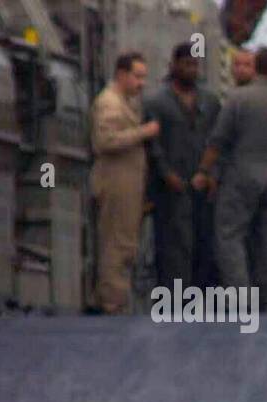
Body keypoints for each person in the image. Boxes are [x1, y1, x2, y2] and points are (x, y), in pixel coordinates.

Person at [195, 47, 267, 312]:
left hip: (241, 178)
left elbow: (218, 140)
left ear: (256, 66)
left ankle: (240, 301)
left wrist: (203, 171)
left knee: (229, 236)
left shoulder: (238, 98)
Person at [145, 43, 221, 292]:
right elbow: (153, 144)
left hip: (201, 185)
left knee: (204, 244)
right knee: (172, 247)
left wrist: (211, 174)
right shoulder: (157, 101)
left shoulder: (210, 101)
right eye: (187, 64)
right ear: (174, 65)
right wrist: (166, 174)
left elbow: (217, 140)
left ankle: (200, 303)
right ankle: (172, 302)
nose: (192, 70)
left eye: (195, 65)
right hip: (170, 188)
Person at [89, 52, 159, 314]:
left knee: (125, 244)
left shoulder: (125, 103)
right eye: (137, 76)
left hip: (128, 184)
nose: (141, 83)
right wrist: (144, 132)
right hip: (116, 183)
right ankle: (111, 302)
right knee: (116, 244)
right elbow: (105, 140)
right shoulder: (109, 103)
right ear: (121, 74)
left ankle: (116, 298)